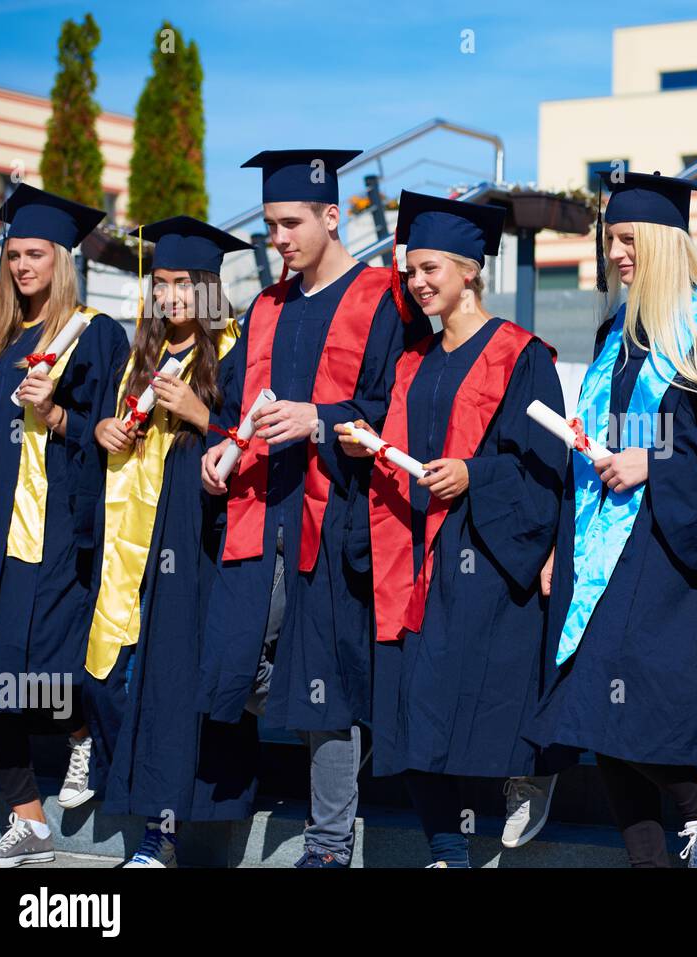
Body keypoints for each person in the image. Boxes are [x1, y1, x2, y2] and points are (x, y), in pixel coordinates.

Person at [528, 171, 697, 868]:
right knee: (598, 717)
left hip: (672, 558)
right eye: (611, 240)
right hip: (603, 552)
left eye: (628, 239)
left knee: (649, 717)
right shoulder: (614, 333)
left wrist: (652, 463)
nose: (616, 253)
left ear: (663, 242)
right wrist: (558, 543)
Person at [196, 149, 421, 868]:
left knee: (321, 686)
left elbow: (395, 408)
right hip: (261, 515)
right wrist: (215, 442)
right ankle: (364, 731)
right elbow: (239, 404)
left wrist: (320, 420)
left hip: (343, 519)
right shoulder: (266, 306)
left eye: (291, 222)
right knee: (238, 663)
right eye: (269, 226)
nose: (279, 239)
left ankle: (328, 844)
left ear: (332, 216)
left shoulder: (385, 297)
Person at [341, 190, 568, 867]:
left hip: (490, 550)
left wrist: (476, 474)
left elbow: (545, 461)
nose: (417, 282)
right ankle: (445, 848)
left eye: (431, 268)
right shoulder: (412, 360)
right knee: (410, 702)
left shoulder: (520, 355)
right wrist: (369, 442)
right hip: (411, 551)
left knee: (487, 693)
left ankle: (533, 773)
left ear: (471, 269)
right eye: (411, 270)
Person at [83, 216, 257, 868]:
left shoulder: (237, 352)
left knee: (184, 689)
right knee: (115, 680)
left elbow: (247, 443)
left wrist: (200, 414)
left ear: (210, 288)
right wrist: (103, 430)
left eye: (185, 284)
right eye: (162, 284)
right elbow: (112, 438)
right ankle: (150, 817)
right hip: (134, 545)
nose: (172, 296)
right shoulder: (139, 356)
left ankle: (167, 835)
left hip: (200, 550)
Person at [0, 184, 129, 867]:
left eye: (36, 254)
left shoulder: (92, 333)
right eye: (14, 253)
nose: (21, 266)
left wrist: (58, 414)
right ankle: (28, 818)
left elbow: (115, 442)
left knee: (50, 670)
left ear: (63, 258)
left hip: (52, 530)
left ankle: (79, 734)